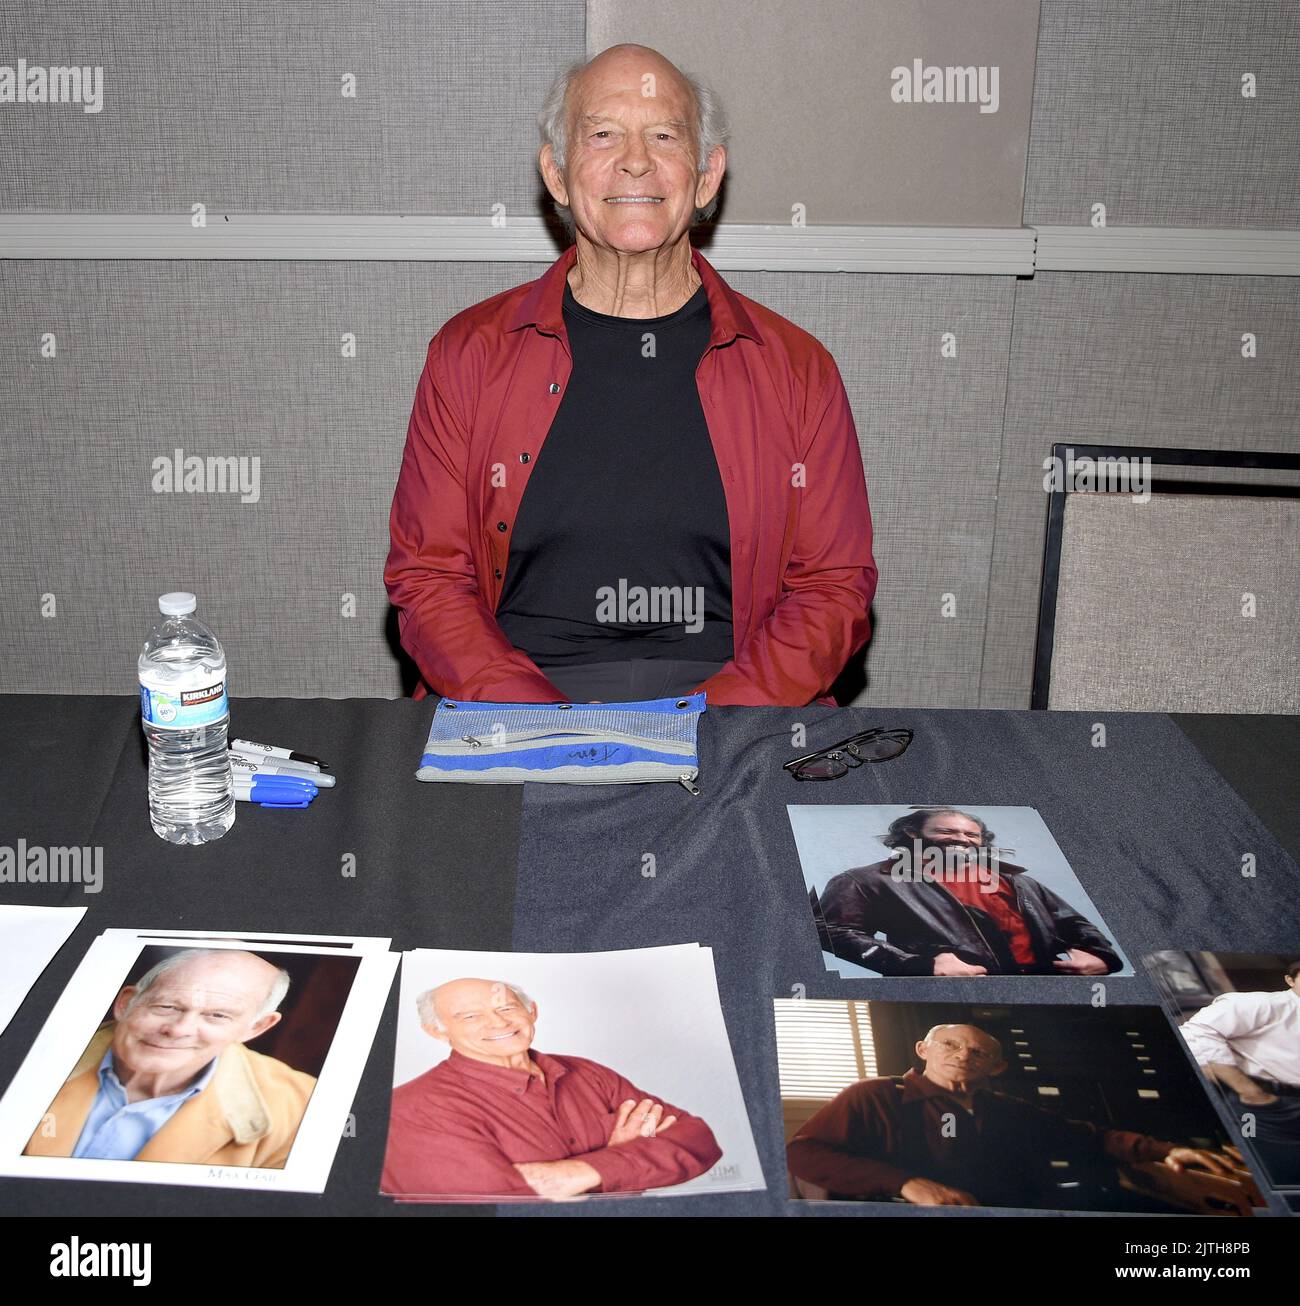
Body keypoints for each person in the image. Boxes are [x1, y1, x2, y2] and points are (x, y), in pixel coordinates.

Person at [385, 43, 876, 707]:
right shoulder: (469, 354)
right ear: (557, 175)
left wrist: (710, 722)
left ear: (706, 177)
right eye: (604, 134)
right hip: (514, 704)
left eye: (665, 135)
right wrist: (547, 728)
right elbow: (427, 578)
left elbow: (831, 587)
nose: (636, 160)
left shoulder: (797, 370)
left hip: (729, 708)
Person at [787, 1023, 1238, 1207]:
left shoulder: (1006, 1109)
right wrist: (905, 1182)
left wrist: (1169, 1150)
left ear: (996, 1068)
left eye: (979, 1052)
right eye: (951, 1044)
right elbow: (802, 1153)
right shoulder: (874, 1095)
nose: (964, 1055)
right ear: (923, 1050)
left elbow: (1087, 1136)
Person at [381, 977, 721, 1199]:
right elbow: (493, 1204)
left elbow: (698, 1139)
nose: (498, 1022)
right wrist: (624, 1165)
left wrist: (580, 1173)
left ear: (532, 1012)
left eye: (506, 1007)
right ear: (438, 1032)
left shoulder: (587, 1073)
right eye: (470, 1016)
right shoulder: (410, 1109)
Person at [25, 949, 315, 1168]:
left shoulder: (307, 1110)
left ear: (256, 1027)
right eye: (166, 1006)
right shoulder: (25, 1055)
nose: (178, 1030)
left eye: (217, 1016)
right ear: (126, 1003)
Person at [814, 807, 1122, 976]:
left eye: (971, 834)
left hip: (1048, 992)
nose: (962, 838)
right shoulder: (867, 879)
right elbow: (830, 930)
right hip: (952, 997)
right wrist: (918, 966)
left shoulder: (1015, 880)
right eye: (947, 831)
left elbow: (1074, 923)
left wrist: (1101, 955)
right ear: (912, 832)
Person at [1179, 959, 1300, 1184]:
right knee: (1286, 1177)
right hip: (1267, 1104)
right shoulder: (1263, 1003)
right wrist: (1248, 1091)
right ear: (1290, 980)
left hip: (1291, 1102)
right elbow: (1196, 1032)